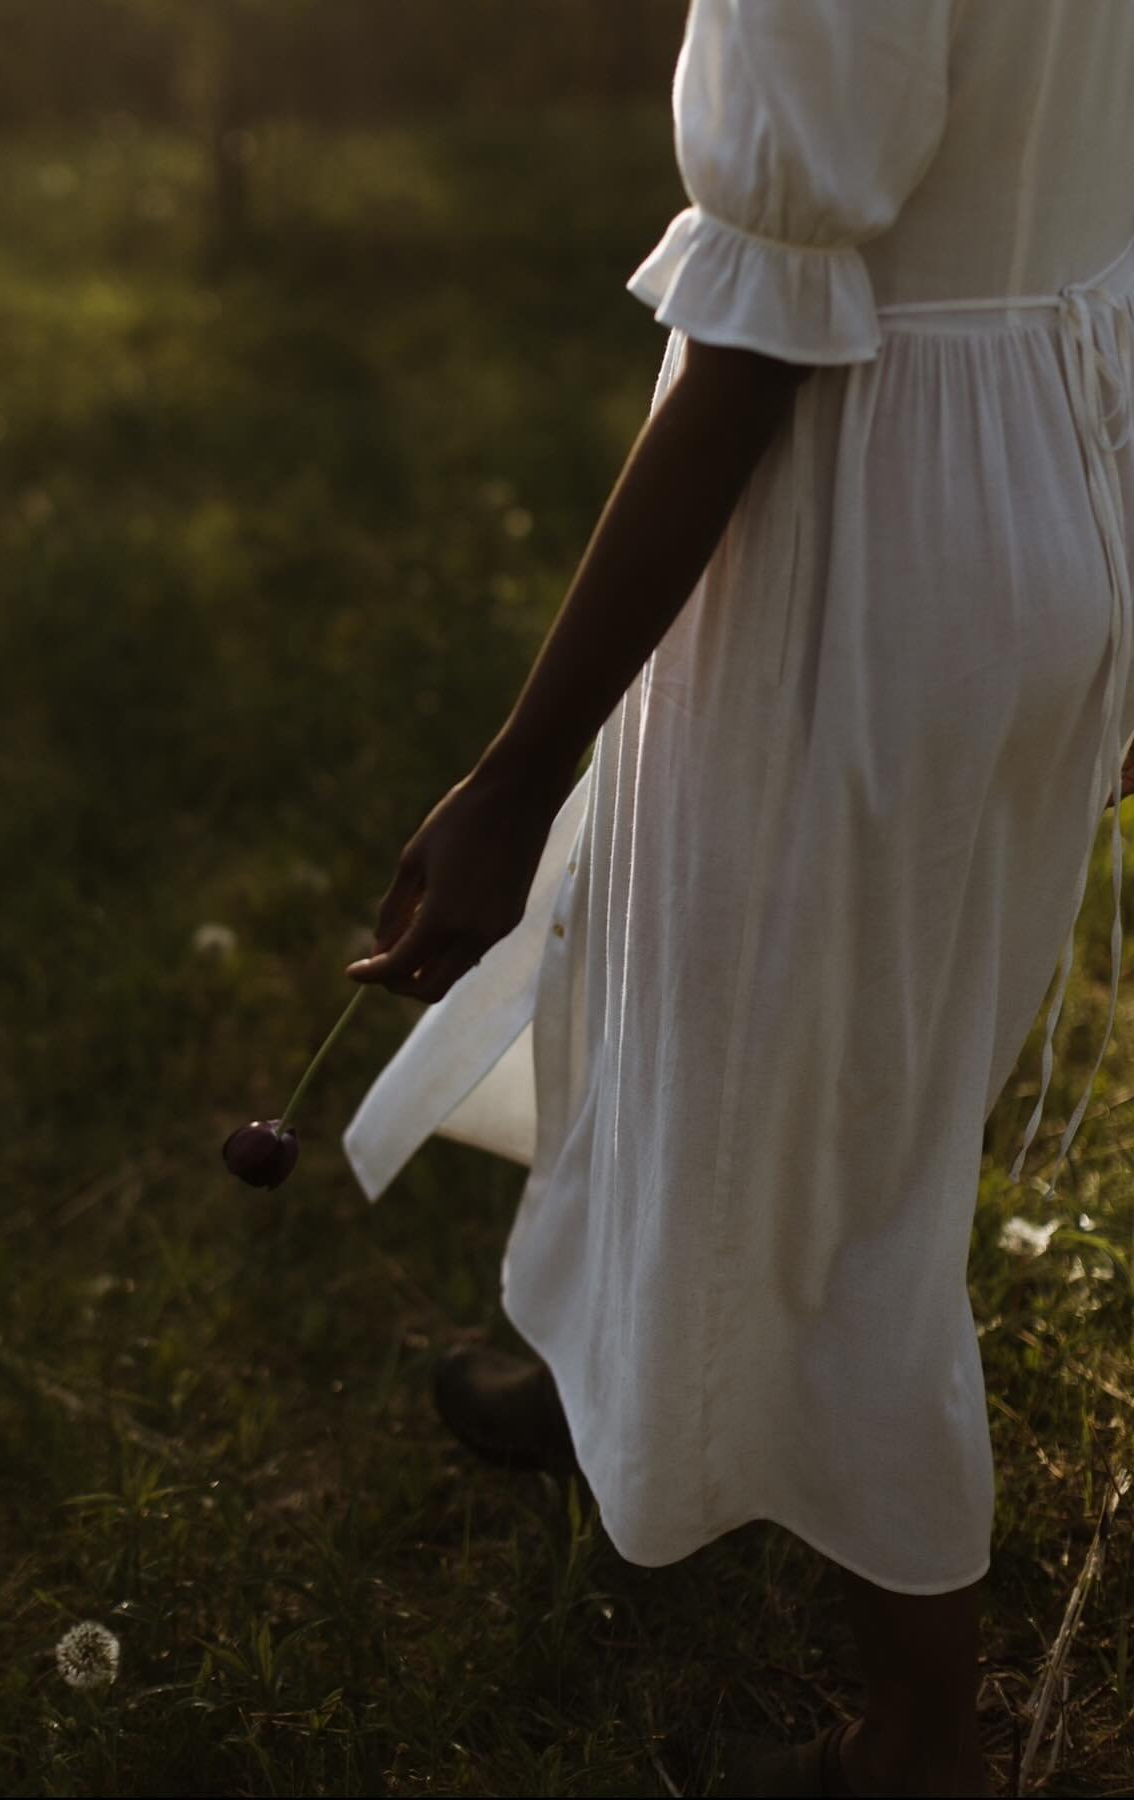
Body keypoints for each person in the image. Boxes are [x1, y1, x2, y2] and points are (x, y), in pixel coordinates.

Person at [342, 2, 1134, 1793]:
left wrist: (516, 768)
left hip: (872, 518)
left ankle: (923, 1739)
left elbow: (759, 346)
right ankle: (622, 1359)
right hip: (1043, 462)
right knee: (676, 954)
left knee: (854, 1172)